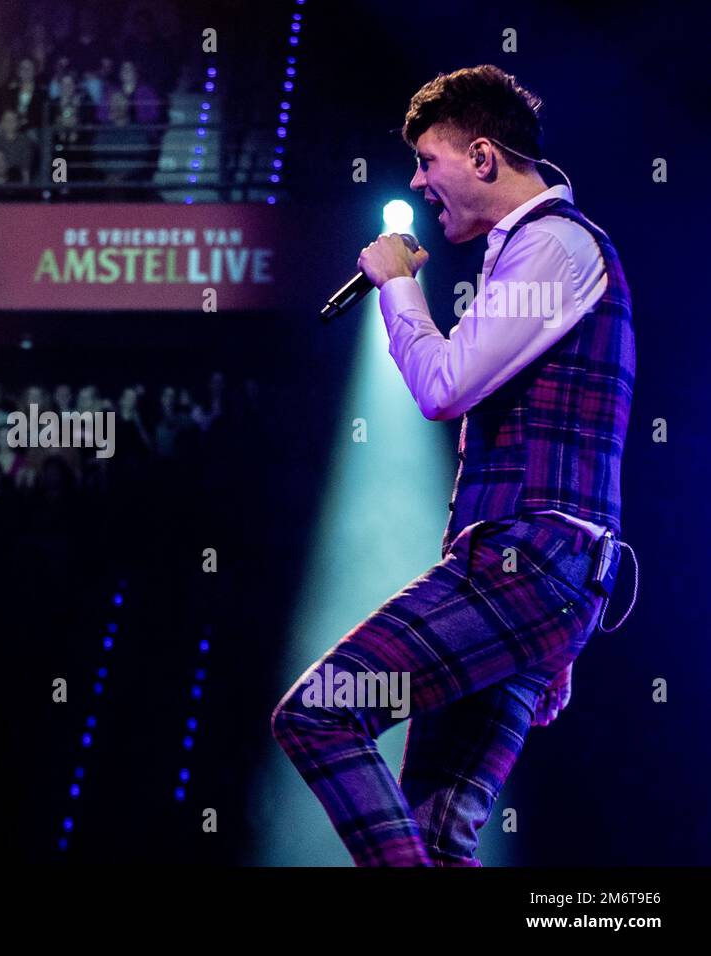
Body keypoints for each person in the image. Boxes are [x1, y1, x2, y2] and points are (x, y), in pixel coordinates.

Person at [271, 66, 635, 866]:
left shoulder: (554, 245)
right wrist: (554, 641)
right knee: (436, 836)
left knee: (320, 714)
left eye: (426, 160)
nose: (415, 182)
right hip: (542, 578)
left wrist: (399, 287)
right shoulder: (535, 253)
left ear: (479, 156)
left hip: (528, 569)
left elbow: (442, 387)